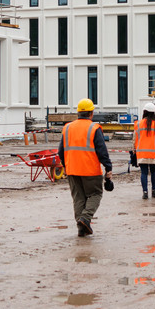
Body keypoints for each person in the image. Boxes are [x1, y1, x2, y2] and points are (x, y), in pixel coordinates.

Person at [59, 98, 113, 235]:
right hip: (90, 170)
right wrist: (108, 167)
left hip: (72, 170)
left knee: (78, 198)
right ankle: (85, 218)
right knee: (95, 194)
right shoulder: (94, 128)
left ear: (78, 113)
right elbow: (102, 151)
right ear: (91, 113)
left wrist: (66, 166)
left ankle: (81, 228)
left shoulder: (67, 128)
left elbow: (61, 151)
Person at [133, 103, 155, 199]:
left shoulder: (138, 124)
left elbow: (134, 139)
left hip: (142, 153)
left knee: (143, 173)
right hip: (154, 153)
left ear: (144, 112)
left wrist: (134, 149)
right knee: (154, 172)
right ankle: (154, 191)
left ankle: (145, 192)